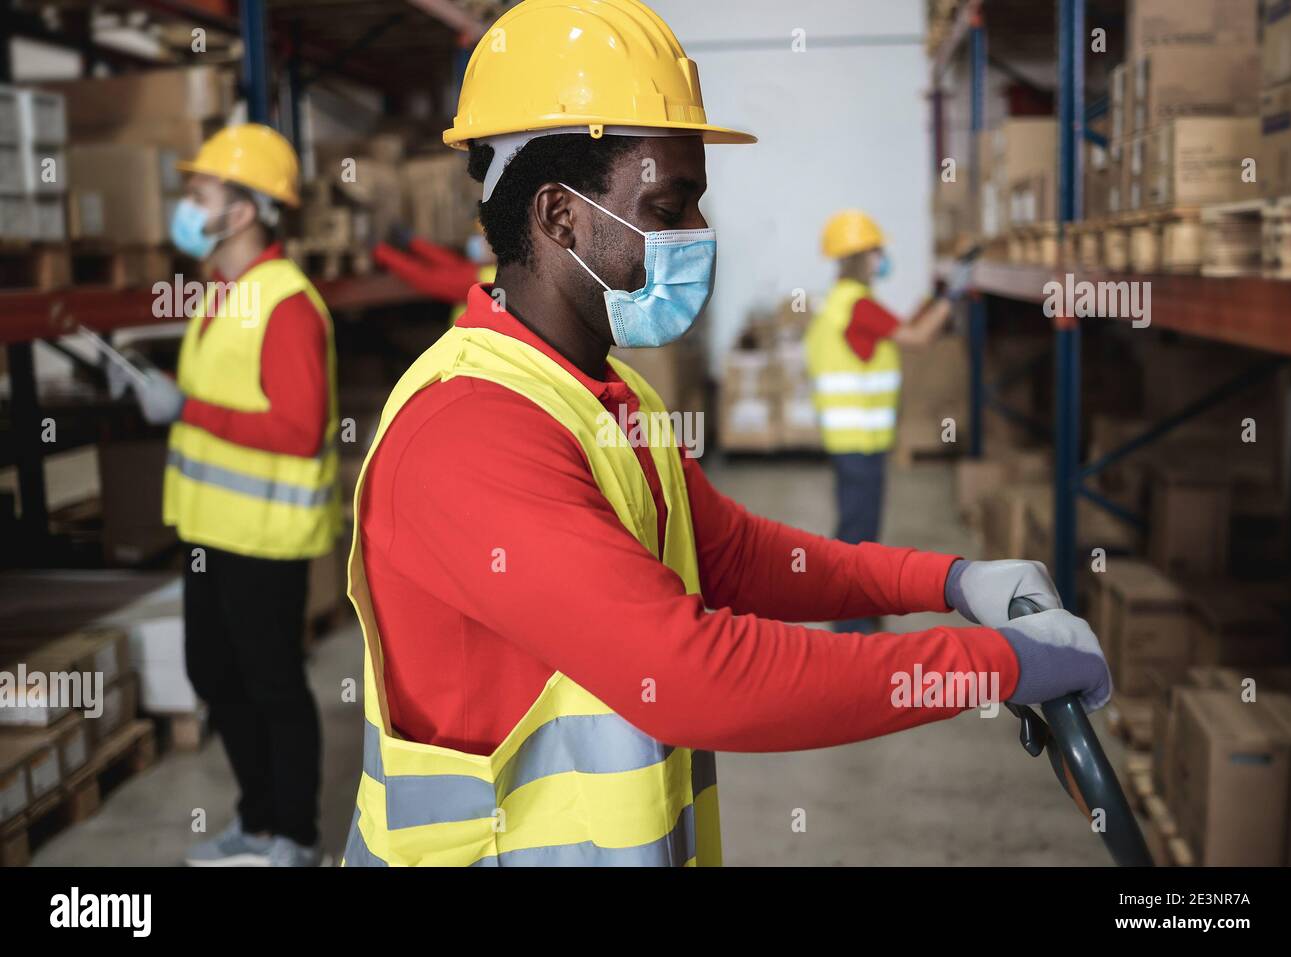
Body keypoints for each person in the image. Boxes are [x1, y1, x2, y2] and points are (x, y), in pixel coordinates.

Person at [341, 0, 1108, 868]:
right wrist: (990, 664)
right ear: (559, 217)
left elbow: (735, 555)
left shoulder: (599, 393)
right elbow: (686, 675)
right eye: (667, 206)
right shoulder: (469, 433)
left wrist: (951, 578)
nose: (697, 236)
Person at [128, 123, 339, 867]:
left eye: (199, 194)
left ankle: (296, 836)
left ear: (243, 212)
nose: (185, 207)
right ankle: (255, 822)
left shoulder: (283, 301)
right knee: (215, 674)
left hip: (264, 536)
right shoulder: (224, 291)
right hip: (209, 530)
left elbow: (300, 427)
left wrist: (184, 407)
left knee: (273, 683)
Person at [806, 210, 972, 633]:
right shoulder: (859, 305)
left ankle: (860, 609)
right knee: (858, 535)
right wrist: (952, 298)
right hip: (859, 440)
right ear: (862, 257)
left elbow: (901, 327)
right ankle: (851, 623)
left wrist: (935, 297)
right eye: (877, 251)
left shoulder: (845, 302)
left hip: (851, 440)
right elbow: (916, 338)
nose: (883, 257)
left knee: (858, 529)